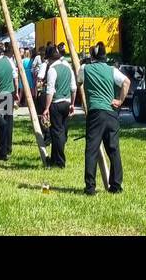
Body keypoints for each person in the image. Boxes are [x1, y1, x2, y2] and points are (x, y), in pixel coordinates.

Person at [77, 42, 129, 195]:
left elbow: (79, 81)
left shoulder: (85, 69)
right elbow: (127, 82)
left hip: (95, 113)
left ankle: (90, 187)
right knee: (113, 150)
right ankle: (116, 186)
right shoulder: (112, 70)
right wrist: (119, 100)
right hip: (111, 113)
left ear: (92, 56)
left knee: (91, 150)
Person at [41, 43, 75, 168]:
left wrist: (46, 108)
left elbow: (50, 90)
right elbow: (73, 88)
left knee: (57, 133)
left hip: (56, 103)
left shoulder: (52, 70)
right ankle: (55, 159)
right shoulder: (68, 68)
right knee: (61, 132)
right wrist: (72, 104)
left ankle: (60, 161)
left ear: (50, 58)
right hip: (66, 103)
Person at [0, 43, 18, 159]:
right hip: (9, 94)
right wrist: (16, 92)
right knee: (9, 122)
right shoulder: (9, 60)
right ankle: (8, 146)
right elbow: (15, 77)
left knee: (0, 123)